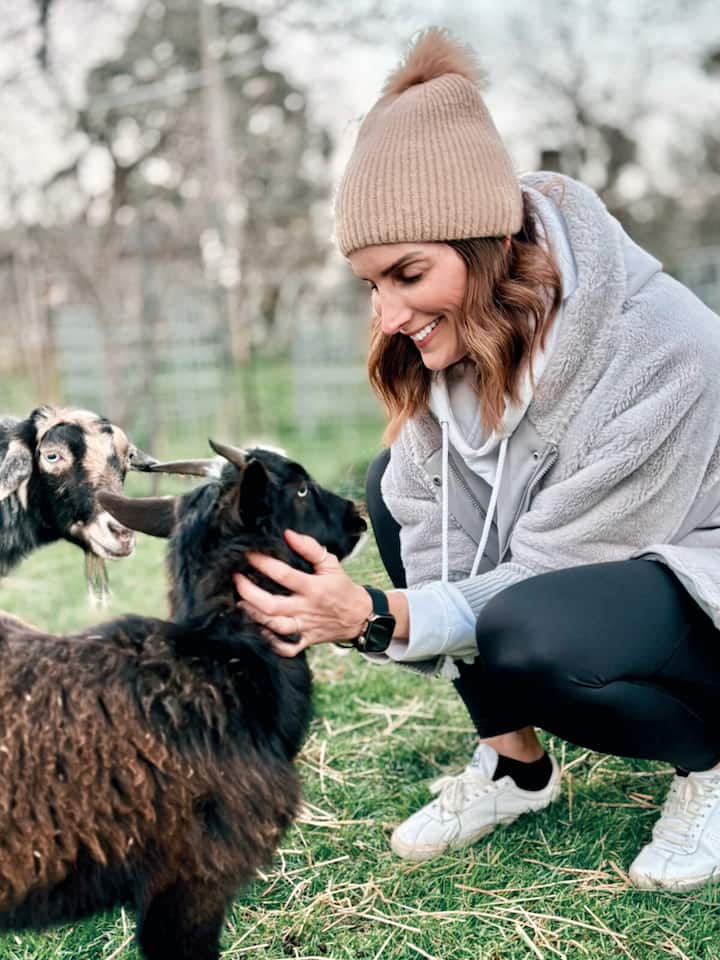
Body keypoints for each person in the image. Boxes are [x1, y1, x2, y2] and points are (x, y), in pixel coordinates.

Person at [234, 28, 720, 892]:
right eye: (371, 285)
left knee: (528, 632)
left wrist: (378, 614)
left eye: (408, 274)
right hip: (592, 571)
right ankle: (517, 770)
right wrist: (395, 609)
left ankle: (712, 765)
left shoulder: (665, 348)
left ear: (485, 242)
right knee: (390, 484)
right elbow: (437, 539)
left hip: (694, 583)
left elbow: (565, 566)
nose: (387, 314)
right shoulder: (458, 348)